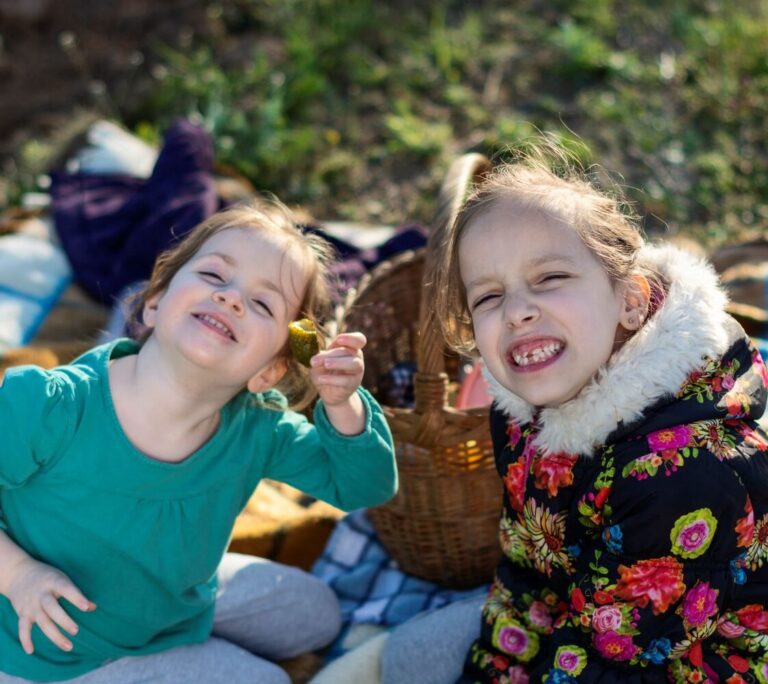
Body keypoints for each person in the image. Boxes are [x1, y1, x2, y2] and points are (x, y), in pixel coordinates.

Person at [381, 143, 768, 683]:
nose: (518, 310)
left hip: (692, 660)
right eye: (489, 297)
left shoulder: (692, 473)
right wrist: (496, 668)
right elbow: (527, 571)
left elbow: (622, 659)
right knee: (408, 656)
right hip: (587, 619)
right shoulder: (522, 416)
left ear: (630, 302)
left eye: (550, 279)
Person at [0, 200, 398, 684]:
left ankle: (185, 636)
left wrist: (341, 403)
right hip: (46, 653)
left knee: (315, 614)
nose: (231, 298)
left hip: (169, 606)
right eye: (214, 276)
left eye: (263, 303)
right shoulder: (53, 406)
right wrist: (17, 573)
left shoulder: (256, 428)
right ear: (154, 301)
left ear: (270, 370)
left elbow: (364, 486)